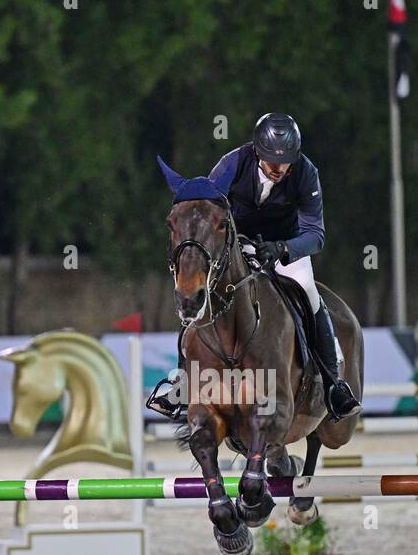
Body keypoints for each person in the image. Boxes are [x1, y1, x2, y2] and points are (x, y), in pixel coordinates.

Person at [147, 112, 361, 420]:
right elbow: (208, 214)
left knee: (309, 292)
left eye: (285, 161)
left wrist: (283, 248)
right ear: (256, 152)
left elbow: (316, 234)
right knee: (199, 290)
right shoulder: (232, 164)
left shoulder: (305, 173)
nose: (277, 169)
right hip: (236, 245)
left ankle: (333, 384)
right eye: (270, 161)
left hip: (286, 248)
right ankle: (181, 382)